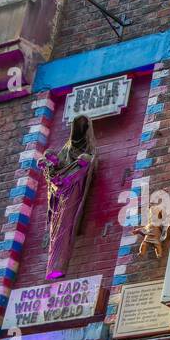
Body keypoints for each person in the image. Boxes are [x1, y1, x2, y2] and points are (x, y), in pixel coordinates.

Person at [39, 115, 97, 280]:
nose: (78, 133)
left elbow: (89, 166)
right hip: (60, 194)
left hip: (74, 192)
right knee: (57, 229)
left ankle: (58, 266)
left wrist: (83, 166)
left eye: (82, 129)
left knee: (65, 225)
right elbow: (56, 170)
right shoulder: (66, 150)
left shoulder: (90, 149)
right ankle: (53, 267)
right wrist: (53, 171)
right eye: (76, 129)